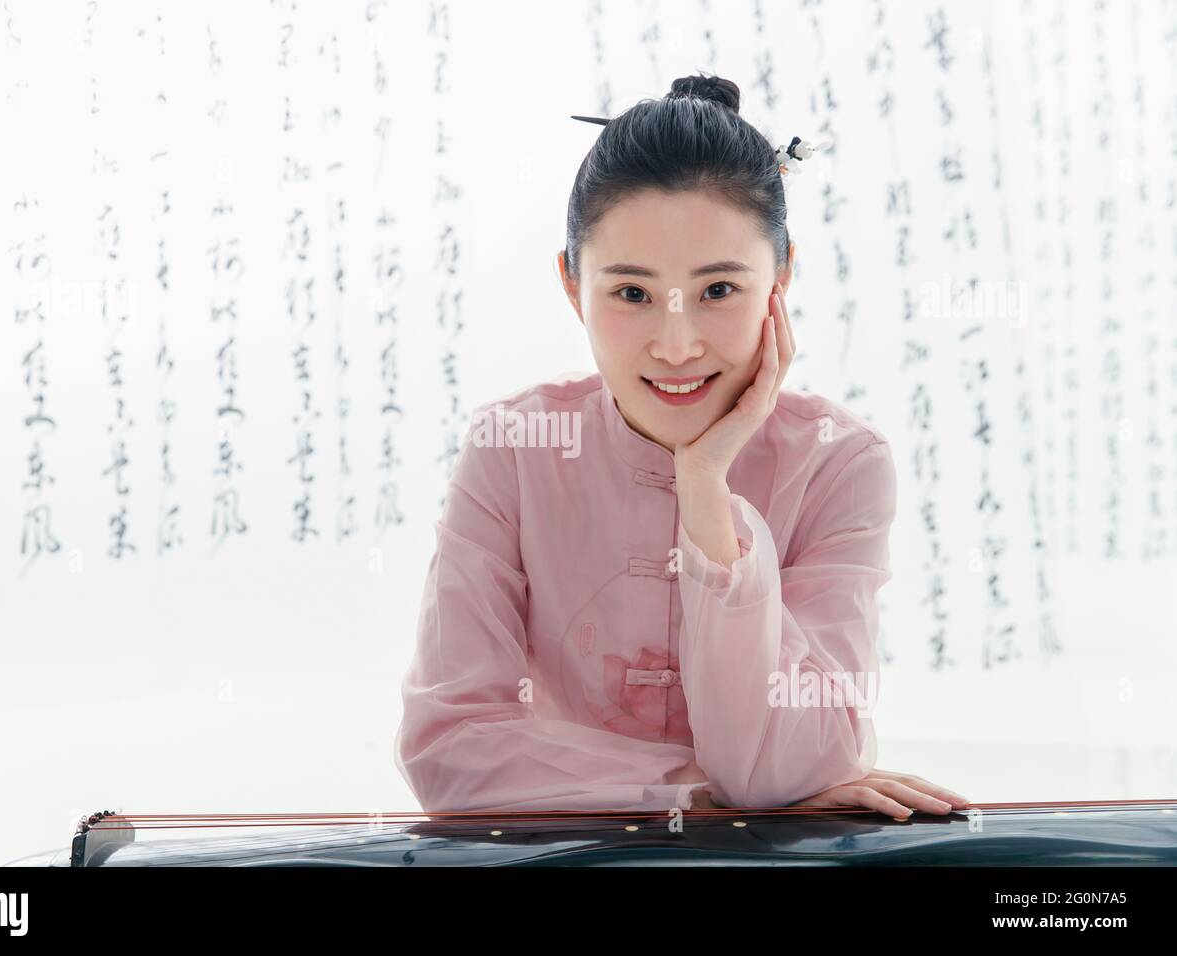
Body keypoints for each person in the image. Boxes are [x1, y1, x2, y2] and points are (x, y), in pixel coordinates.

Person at [395, 72, 967, 820]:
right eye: (631, 294)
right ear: (573, 287)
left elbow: (795, 760)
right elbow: (449, 751)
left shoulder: (839, 462)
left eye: (719, 290)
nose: (675, 344)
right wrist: (699, 790)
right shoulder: (513, 450)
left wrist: (705, 491)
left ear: (781, 278)